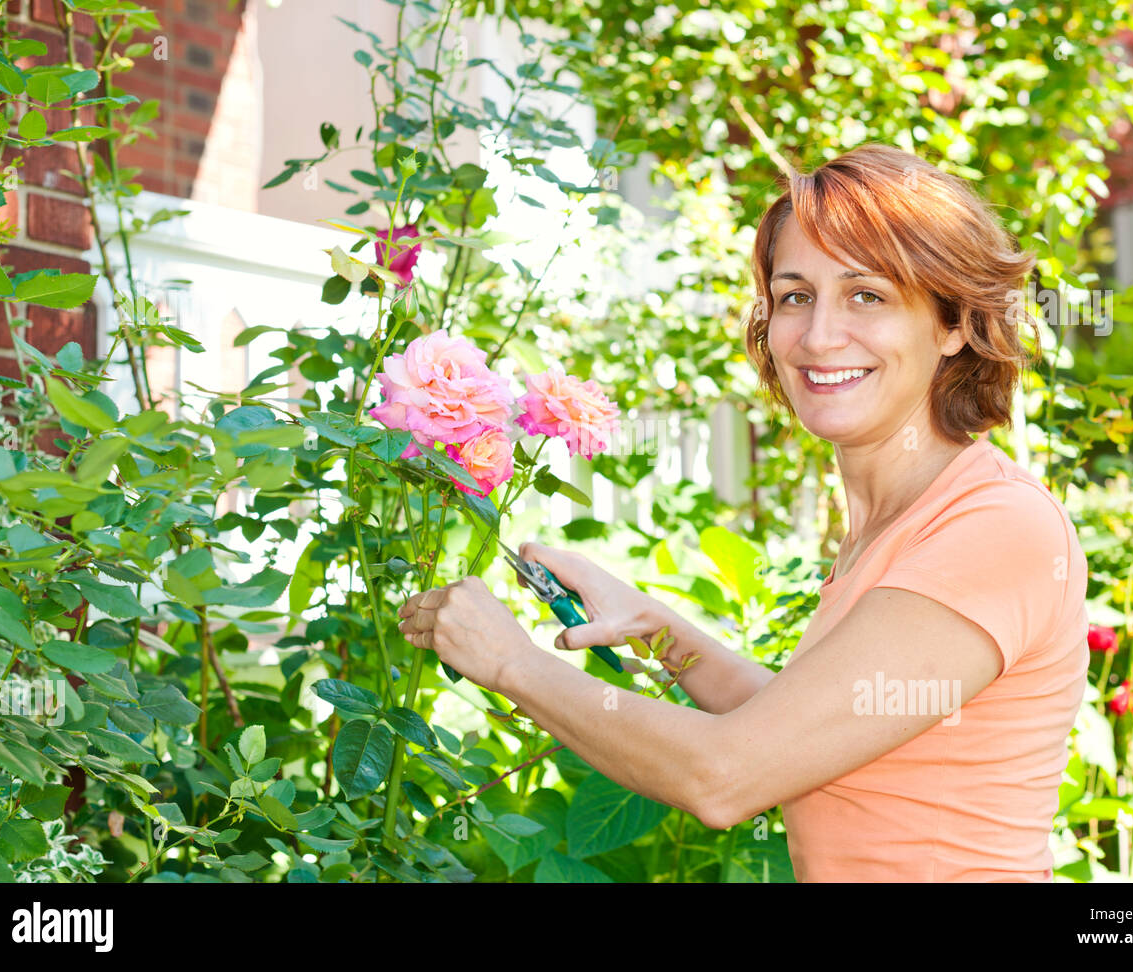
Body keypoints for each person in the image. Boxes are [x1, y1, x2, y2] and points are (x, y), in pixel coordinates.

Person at [397, 143, 1090, 882]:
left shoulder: (995, 529)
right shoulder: (897, 522)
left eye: (867, 295)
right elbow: (807, 731)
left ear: (953, 323)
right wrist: (656, 627)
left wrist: (512, 663)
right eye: (796, 295)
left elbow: (726, 775)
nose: (820, 335)